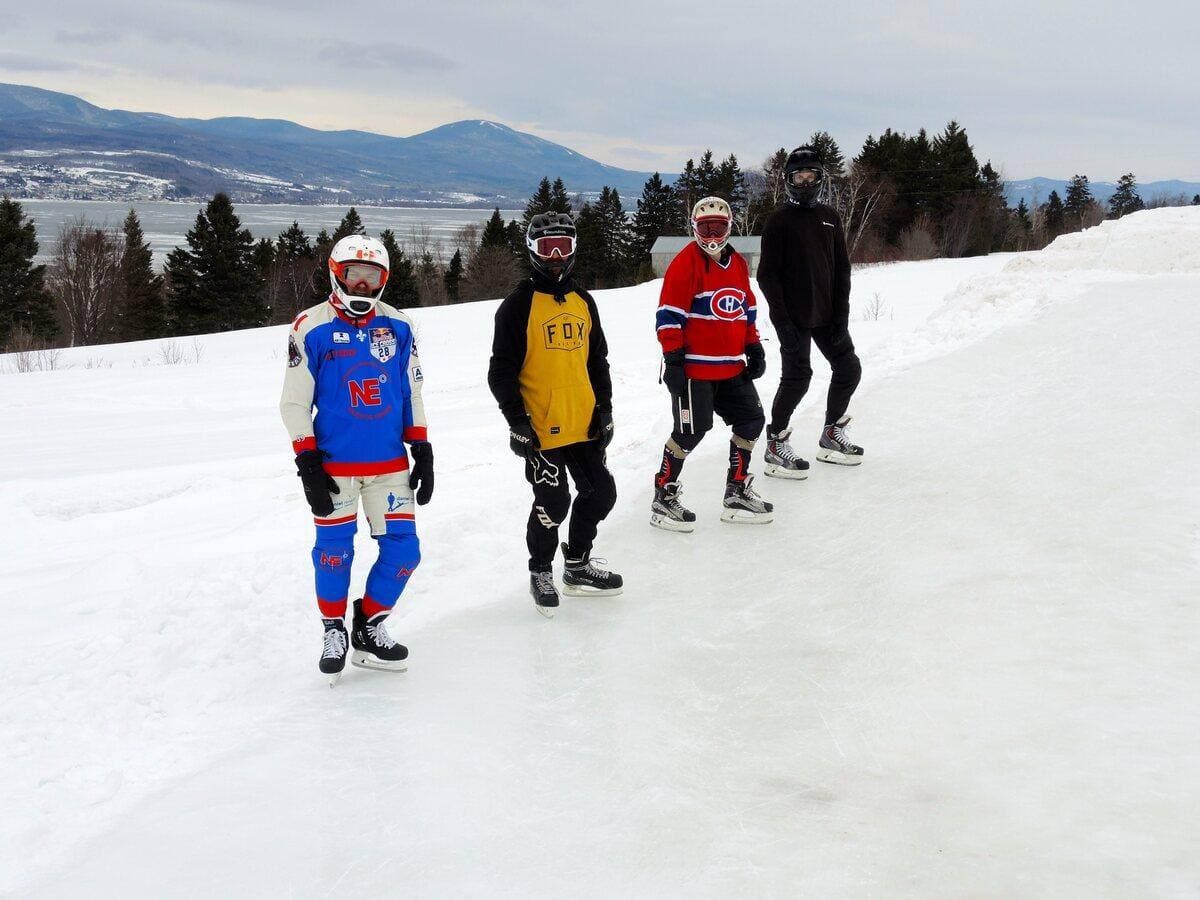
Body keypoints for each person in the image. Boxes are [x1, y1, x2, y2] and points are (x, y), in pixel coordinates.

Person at [280, 234, 434, 682]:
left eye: (372, 277)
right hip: (334, 469)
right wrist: (306, 461)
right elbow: (293, 403)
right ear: (336, 272)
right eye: (355, 275)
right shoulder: (310, 325)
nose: (362, 285)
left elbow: (412, 391)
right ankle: (333, 629)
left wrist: (421, 448)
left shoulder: (399, 326)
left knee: (405, 552)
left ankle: (368, 623)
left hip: (389, 467)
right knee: (334, 554)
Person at [487, 212, 622, 617]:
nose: (557, 256)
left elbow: (597, 360)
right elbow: (500, 372)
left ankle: (578, 564)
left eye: (563, 246)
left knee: (602, 492)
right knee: (553, 501)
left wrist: (605, 409)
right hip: (541, 427)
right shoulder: (517, 306)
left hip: (582, 421)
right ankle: (540, 570)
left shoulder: (583, 300)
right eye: (548, 248)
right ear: (533, 251)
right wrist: (516, 421)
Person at [650, 196, 773, 531]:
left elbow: (745, 310)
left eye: (718, 227)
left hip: (731, 368)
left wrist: (754, 346)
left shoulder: (737, 265)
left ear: (729, 227)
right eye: (706, 228)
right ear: (695, 228)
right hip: (694, 371)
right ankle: (663, 495)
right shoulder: (685, 263)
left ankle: (736, 490)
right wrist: (673, 359)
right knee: (691, 432)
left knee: (751, 419)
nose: (712, 235)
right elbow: (668, 317)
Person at [756, 145, 864, 469]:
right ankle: (776, 442)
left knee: (849, 368)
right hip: (793, 318)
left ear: (820, 178)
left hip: (828, 315)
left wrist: (841, 314)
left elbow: (842, 268)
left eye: (810, 175)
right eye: (798, 176)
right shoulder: (778, 222)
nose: (804, 182)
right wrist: (782, 323)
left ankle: (831, 432)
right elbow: (767, 277)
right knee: (798, 379)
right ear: (788, 180)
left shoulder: (829, 218)